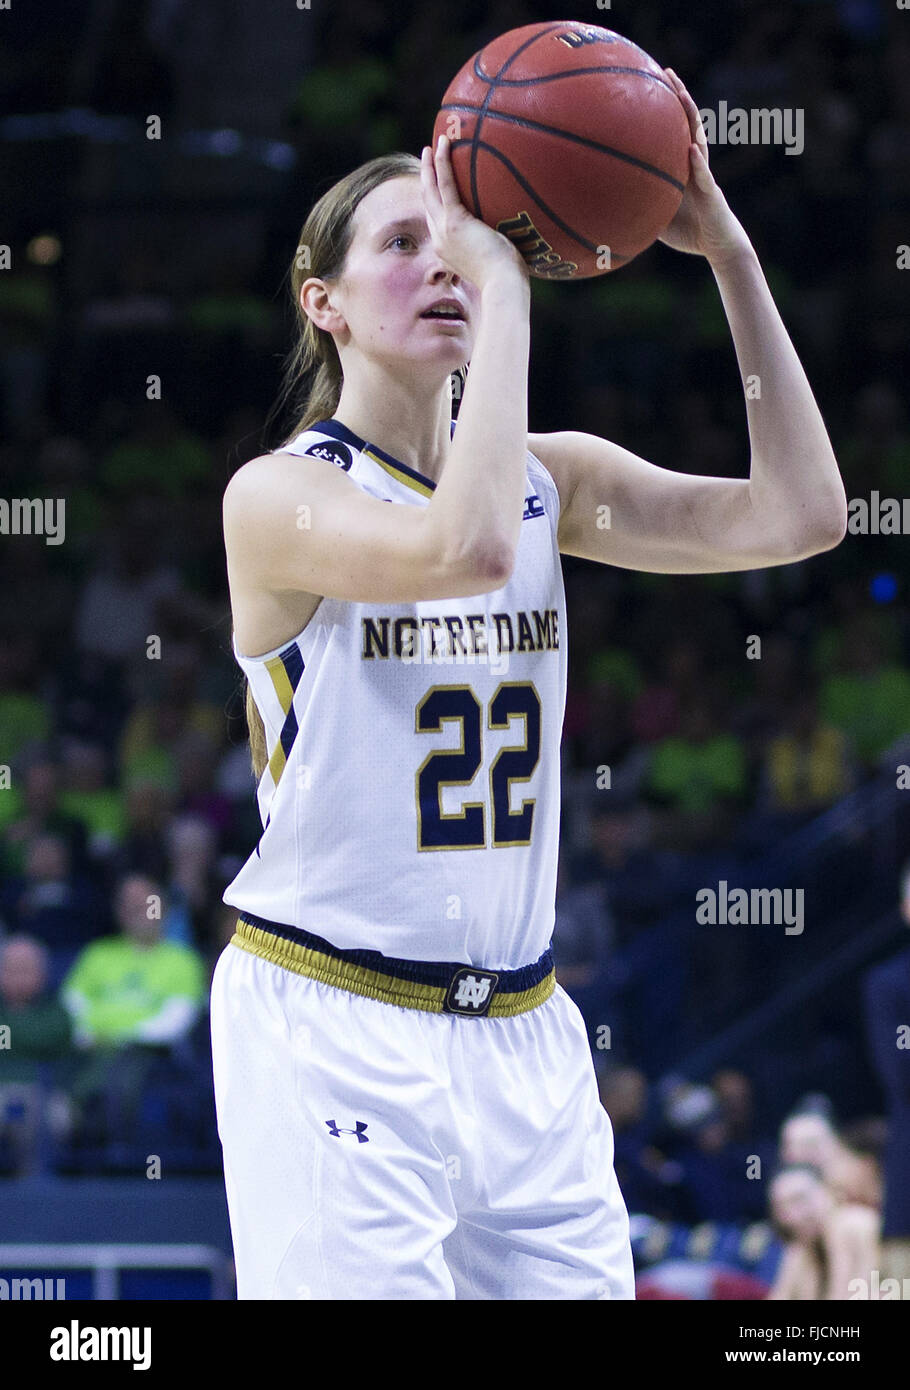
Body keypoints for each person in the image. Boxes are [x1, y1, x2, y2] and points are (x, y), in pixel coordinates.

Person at [211, 65, 847, 1301]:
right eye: (407, 244)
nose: (444, 263)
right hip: (329, 1026)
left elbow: (806, 514)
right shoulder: (277, 497)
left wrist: (725, 250)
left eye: (454, 240)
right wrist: (505, 292)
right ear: (323, 303)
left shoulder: (554, 479)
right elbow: (466, 549)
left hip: (523, 1033)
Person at [765, 1164, 879, 1300]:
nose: (792, 1216)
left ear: (828, 1190)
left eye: (799, 1199)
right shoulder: (802, 1248)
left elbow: (851, 1293)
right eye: (782, 1208)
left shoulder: (852, 1222)